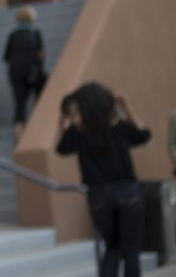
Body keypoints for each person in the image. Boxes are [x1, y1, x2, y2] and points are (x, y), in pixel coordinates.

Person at [57, 83, 151, 277]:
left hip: (98, 196)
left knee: (112, 249)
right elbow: (144, 134)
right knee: (131, 250)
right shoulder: (118, 128)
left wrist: (64, 119)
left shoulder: (78, 134)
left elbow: (61, 148)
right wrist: (126, 106)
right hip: (127, 192)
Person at [4, 5, 46, 139]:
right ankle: (37, 125)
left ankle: (19, 133)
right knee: (39, 96)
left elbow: (6, 56)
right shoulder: (35, 33)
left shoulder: (12, 35)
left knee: (20, 103)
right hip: (32, 72)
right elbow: (40, 54)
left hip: (16, 73)